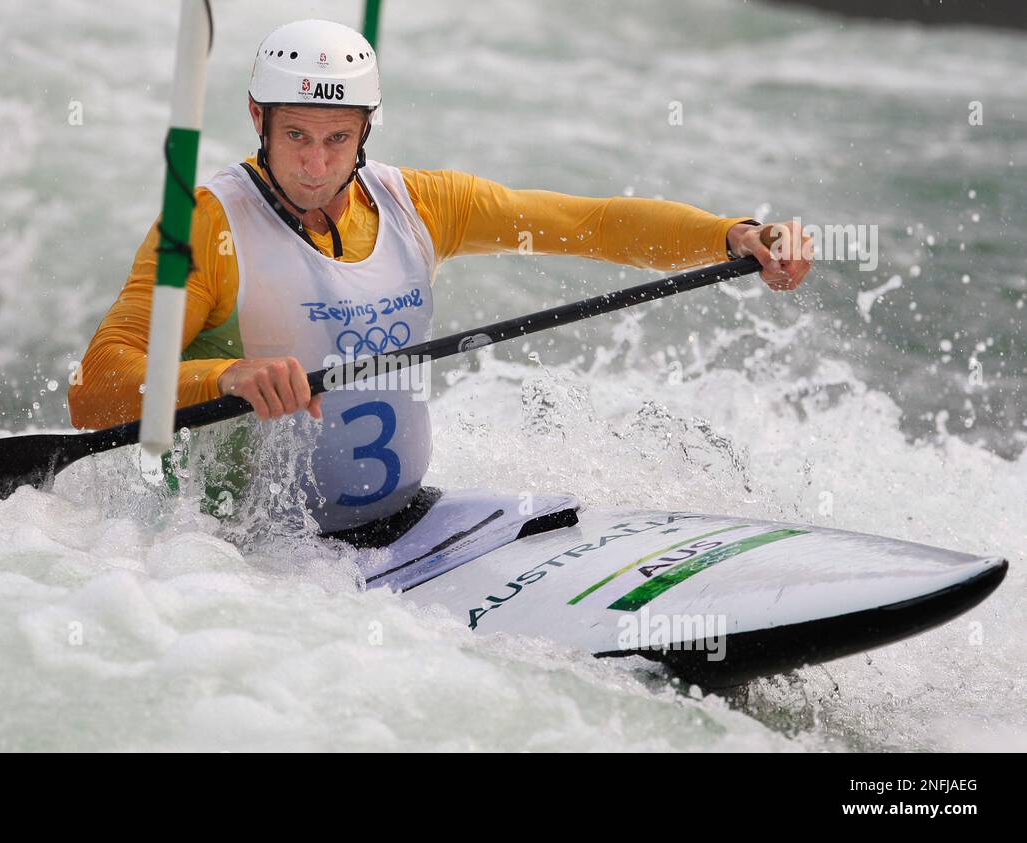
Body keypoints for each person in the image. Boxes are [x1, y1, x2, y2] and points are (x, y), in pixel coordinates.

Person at [68, 18, 812, 540]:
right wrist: (228, 375)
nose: (316, 164)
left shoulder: (417, 203)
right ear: (257, 118)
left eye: (338, 139)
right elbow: (96, 387)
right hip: (256, 553)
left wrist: (733, 233)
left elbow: (586, 221)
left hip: (409, 522)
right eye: (295, 135)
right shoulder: (208, 225)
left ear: (366, 131)